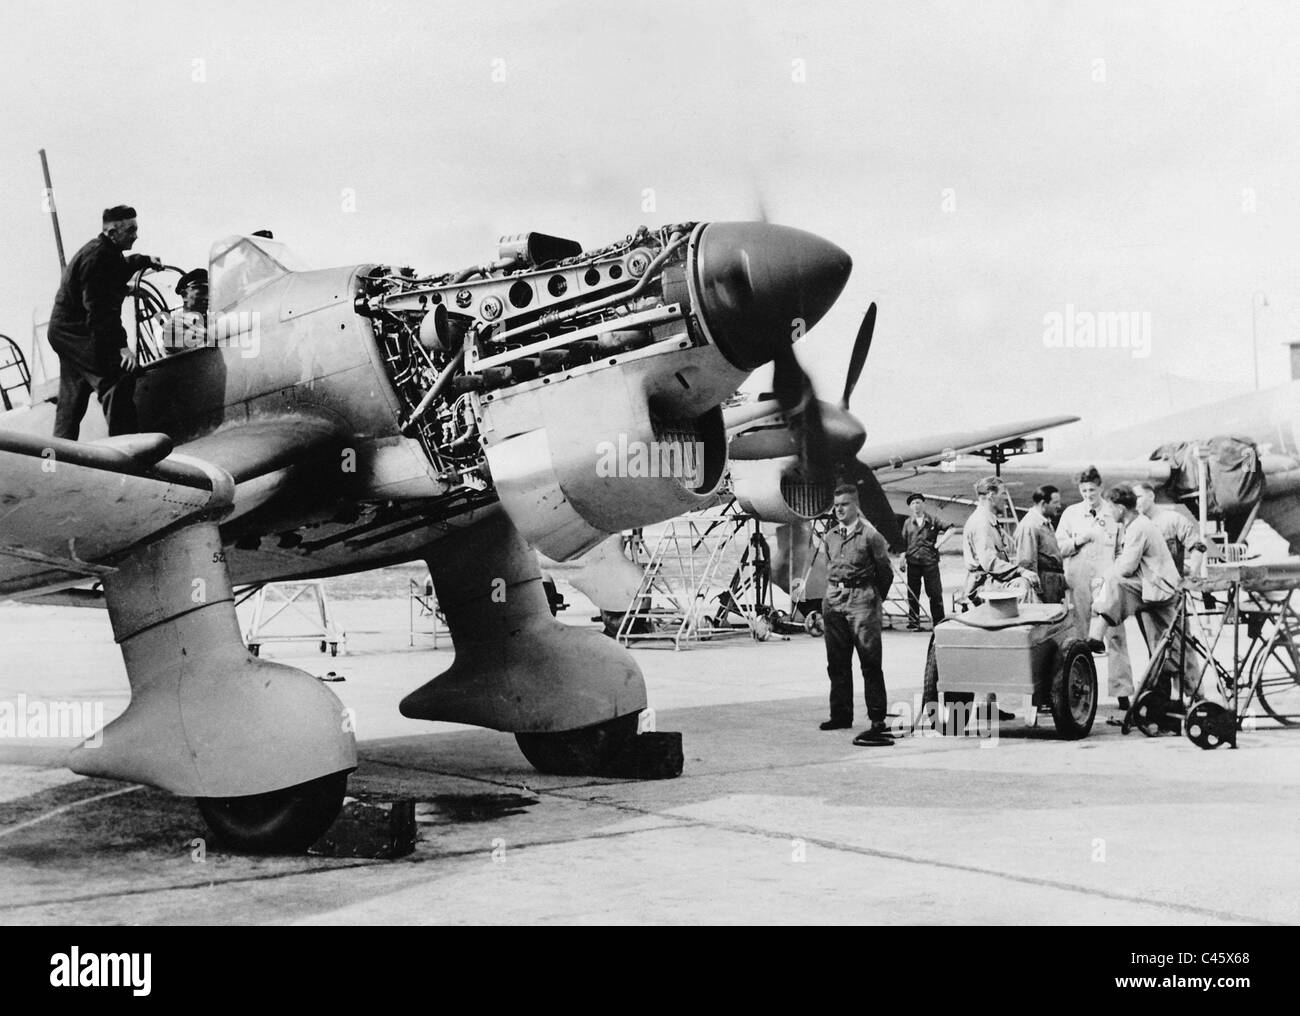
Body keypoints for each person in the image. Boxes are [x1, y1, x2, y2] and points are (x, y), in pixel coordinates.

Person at [47, 205, 162, 439]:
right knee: (118, 376)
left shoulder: (106, 251)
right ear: (112, 233)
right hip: (76, 331)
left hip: (65, 332)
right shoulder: (97, 256)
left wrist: (144, 260)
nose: (136, 235)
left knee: (74, 394)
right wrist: (121, 348)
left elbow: (117, 270)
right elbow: (99, 312)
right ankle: (129, 452)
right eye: (130, 230)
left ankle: (59, 456)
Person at [1088, 485, 1184, 691]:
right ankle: (1166, 701)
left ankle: (1096, 634)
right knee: (1166, 648)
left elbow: (1126, 567)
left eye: (1110, 508)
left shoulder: (1138, 527)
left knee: (1113, 582)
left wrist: (1102, 578)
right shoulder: (1136, 525)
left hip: (1160, 589)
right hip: (1155, 586)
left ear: (1121, 509)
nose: (1108, 513)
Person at [818, 484, 894, 739]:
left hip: (862, 600)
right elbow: (830, 566)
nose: (839, 509)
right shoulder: (830, 537)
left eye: (845, 504)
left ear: (856, 505)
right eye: (836, 505)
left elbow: (885, 571)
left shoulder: (871, 536)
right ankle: (840, 715)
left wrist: (872, 598)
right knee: (837, 663)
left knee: (870, 662)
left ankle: (877, 718)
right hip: (834, 600)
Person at [1056, 465, 1132, 708]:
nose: (1088, 494)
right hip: (1078, 581)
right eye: (1083, 489)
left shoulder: (1113, 514)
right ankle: (1078, 690)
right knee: (1078, 638)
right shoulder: (1070, 514)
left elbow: (1122, 549)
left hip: (1106, 582)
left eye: (1092, 489)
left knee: (1115, 635)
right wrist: (1080, 539)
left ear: (1100, 487)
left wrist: (1117, 574)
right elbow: (1060, 548)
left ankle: (1122, 692)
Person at [962, 476, 1037, 606]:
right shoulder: (982, 523)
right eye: (1002, 494)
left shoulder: (988, 520)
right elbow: (990, 563)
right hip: (983, 585)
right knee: (1023, 586)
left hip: (992, 581)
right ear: (991, 495)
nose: (1005, 499)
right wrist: (1021, 571)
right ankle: (1027, 625)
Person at [1133, 482, 1205, 578]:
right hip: (1144, 588)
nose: (1135, 503)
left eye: (1138, 497)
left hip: (1170, 588)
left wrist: (1191, 577)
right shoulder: (1133, 526)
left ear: (1151, 496)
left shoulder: (1174, 520)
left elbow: (1197, 548)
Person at [901, 492, 950, 630]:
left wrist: (939, 543)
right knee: (912, 593)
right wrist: (902, 560)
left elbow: (951, 528)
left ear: (924, 504)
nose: (916, 506)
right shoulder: (907, 523)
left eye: (918, 502)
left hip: (930, 562)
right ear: (910, 507)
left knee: (934, 593)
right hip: (913, 562)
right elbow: (903, 543)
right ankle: (914, 622)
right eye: (913, 503)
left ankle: (939, 622)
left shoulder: (933, 520)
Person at [1014, 485, 1067, 603]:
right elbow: (1026, 564)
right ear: (1043, 503)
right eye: (1055, 502)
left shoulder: (1045, 522)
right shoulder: (1030, 526)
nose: (1059, 506)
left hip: (1052, 583)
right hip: (1043, 586)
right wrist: (1036, 595)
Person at [157, 269, 209, 353]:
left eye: (208, 293)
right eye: (201, 293)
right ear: (184, 295)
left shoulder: (209, 320)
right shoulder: (173, 327)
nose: (207, 298)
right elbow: (200, 351)